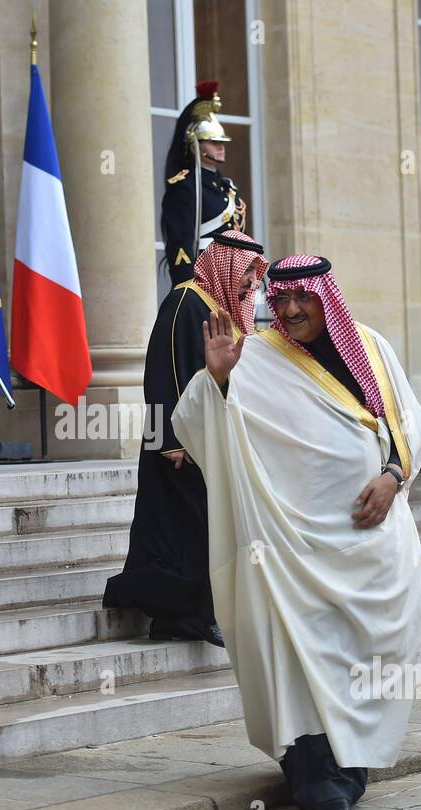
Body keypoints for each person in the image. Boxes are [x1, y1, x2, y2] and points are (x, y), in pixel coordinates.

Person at [172, 253, 421, 810]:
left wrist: (392, 477)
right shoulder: (253, 356)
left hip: (372, 542)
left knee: (368, 652)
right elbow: (194, 422)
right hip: (287, 547)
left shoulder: (371, 348)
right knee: (299, 653)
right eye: (280, 298)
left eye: (303, 299)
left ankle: (352, 764)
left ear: (327, 297)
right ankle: (314, 771)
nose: (289, 310)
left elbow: (409, 424)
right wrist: (218, 379)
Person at [103, 231, 267, 648]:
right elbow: (161, 374)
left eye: (255, 273)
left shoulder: (219, 308)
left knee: (205, 529)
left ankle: (192, 614)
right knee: (185, 528)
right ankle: (184, 616)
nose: (252, 281)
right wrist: (168, 441)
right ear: (226, 264)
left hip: (209, 443)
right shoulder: (184, 301)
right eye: (246, 270)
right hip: (176, 449)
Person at [160, 81, 247, 286]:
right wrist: (187, 285)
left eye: (222, 143)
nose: (220, 148)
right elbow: (180, 241)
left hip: (234, 276)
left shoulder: (227, 187)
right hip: (204, 276)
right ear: (194, 147)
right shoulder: (185, 186)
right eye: (214, 142)